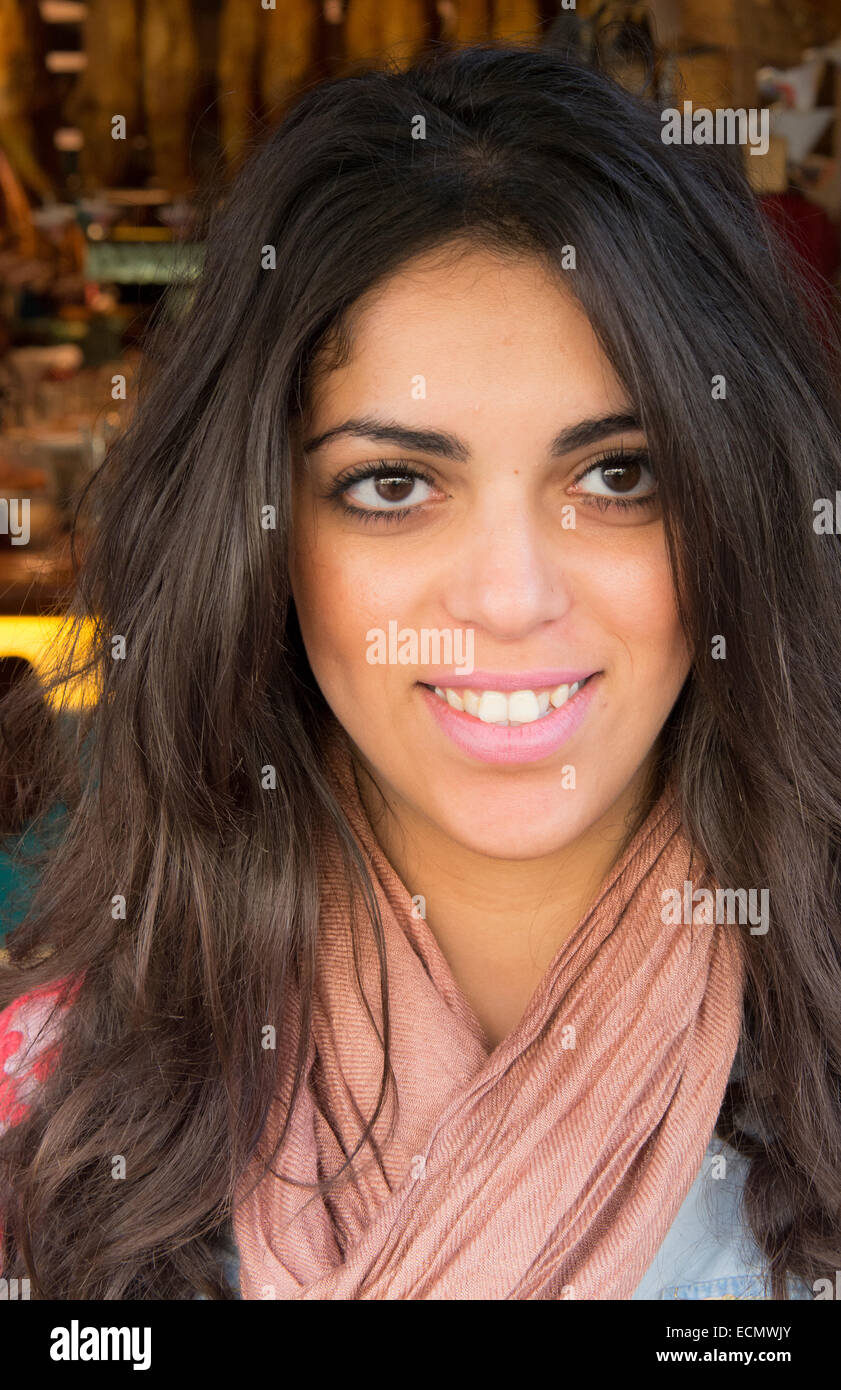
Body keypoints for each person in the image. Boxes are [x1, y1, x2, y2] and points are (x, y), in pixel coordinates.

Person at [1, 42, 840, 1301]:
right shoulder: (50, 1104)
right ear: (263, 540)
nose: (511, 596)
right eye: (392, 485)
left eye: (617, 474)